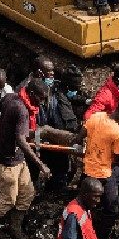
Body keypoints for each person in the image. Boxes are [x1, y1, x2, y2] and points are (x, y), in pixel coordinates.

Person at [0, 80, 52, 239]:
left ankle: (14, 226)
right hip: (6, 162)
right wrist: (40, 164)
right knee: (9, 199)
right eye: (41, 98)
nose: (42, 102)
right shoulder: (21, 110)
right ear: (32, 94)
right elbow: (21, 140)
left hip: (17, 159)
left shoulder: (11, 97)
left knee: (27, 193)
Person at [79, 96, 119, 239]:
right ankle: (102, 238)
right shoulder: (118, 133)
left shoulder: (96, 116)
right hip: (103, 171)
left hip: (88, 166)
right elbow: (118, 159)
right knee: (112, 209)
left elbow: (81, 135)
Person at [38, 63, 82, 193]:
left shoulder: (59, 89)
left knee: (64, 166)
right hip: (51, 136)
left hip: (59, 134)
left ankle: (56, 189)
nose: (76, 89)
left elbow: (75, 97)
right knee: (58, 165)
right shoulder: (51, 96)